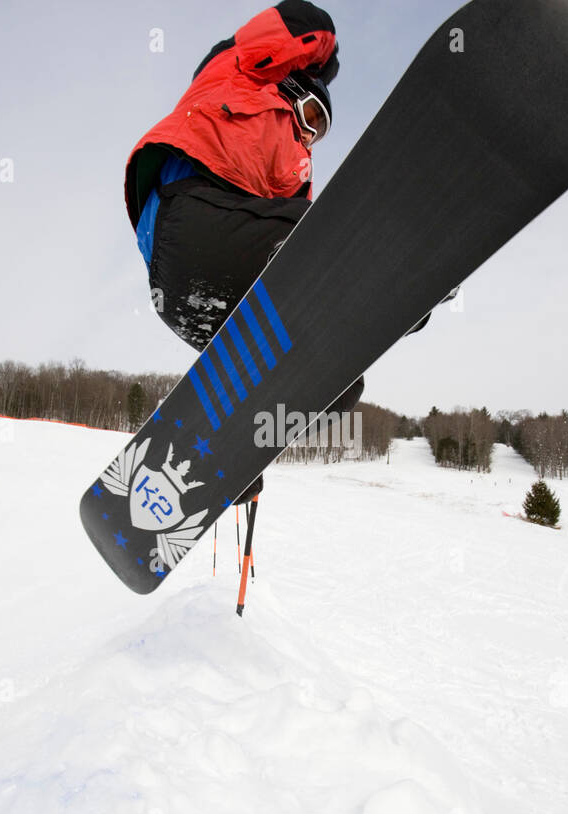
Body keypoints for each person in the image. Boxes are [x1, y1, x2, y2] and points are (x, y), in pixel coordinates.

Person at [125, 1, 356, 504]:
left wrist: (245, 451)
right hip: (190, 218)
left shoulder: (296, 173)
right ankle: (386, 258)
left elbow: (299, 259)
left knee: (338, 376)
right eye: (311, 113)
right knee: (342, 233)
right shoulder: (239, 73)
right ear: (289, 85)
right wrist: (323, 58)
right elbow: (300, 26)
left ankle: (228, 451)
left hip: (188, 296)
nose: (310, 132)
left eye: (321, 129)